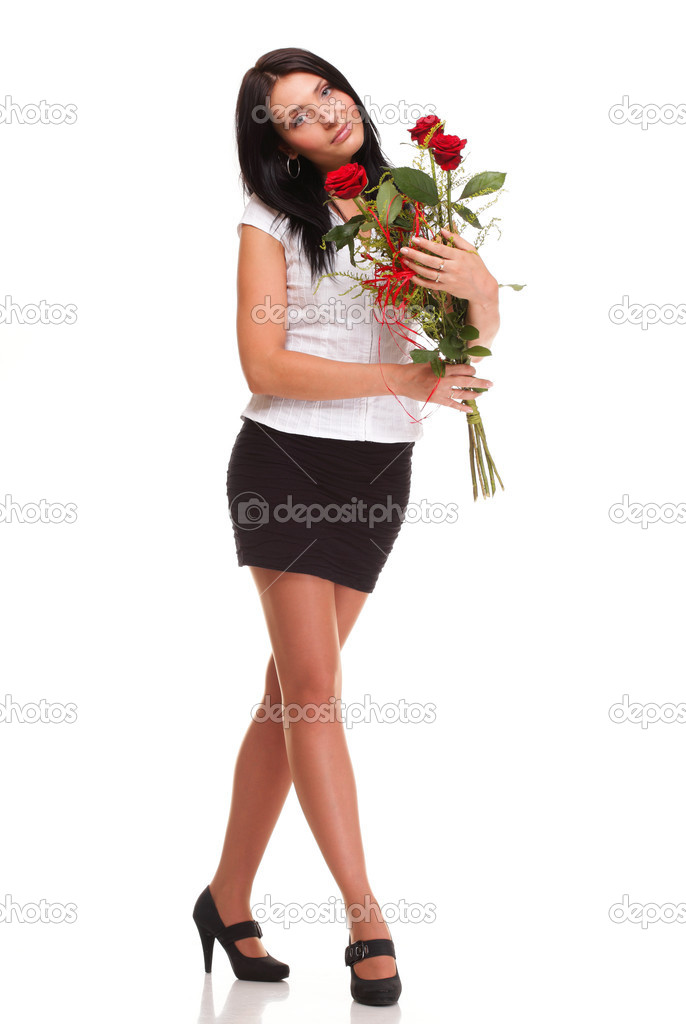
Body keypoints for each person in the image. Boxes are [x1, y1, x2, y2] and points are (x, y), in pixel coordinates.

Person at [192, 47, 500, 1007]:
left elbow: (463, 341)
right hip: (285, 464)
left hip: (379, 473)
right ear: (279, 143)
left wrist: (481, 289)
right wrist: (404, 377)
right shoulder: (269, 219)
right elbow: (264, 365)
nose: (325, 112)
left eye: (326, 91)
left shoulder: (412, 205)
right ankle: (367, 917)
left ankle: (225, 899)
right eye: (296, 112)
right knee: (317, 692)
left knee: (288, 694)